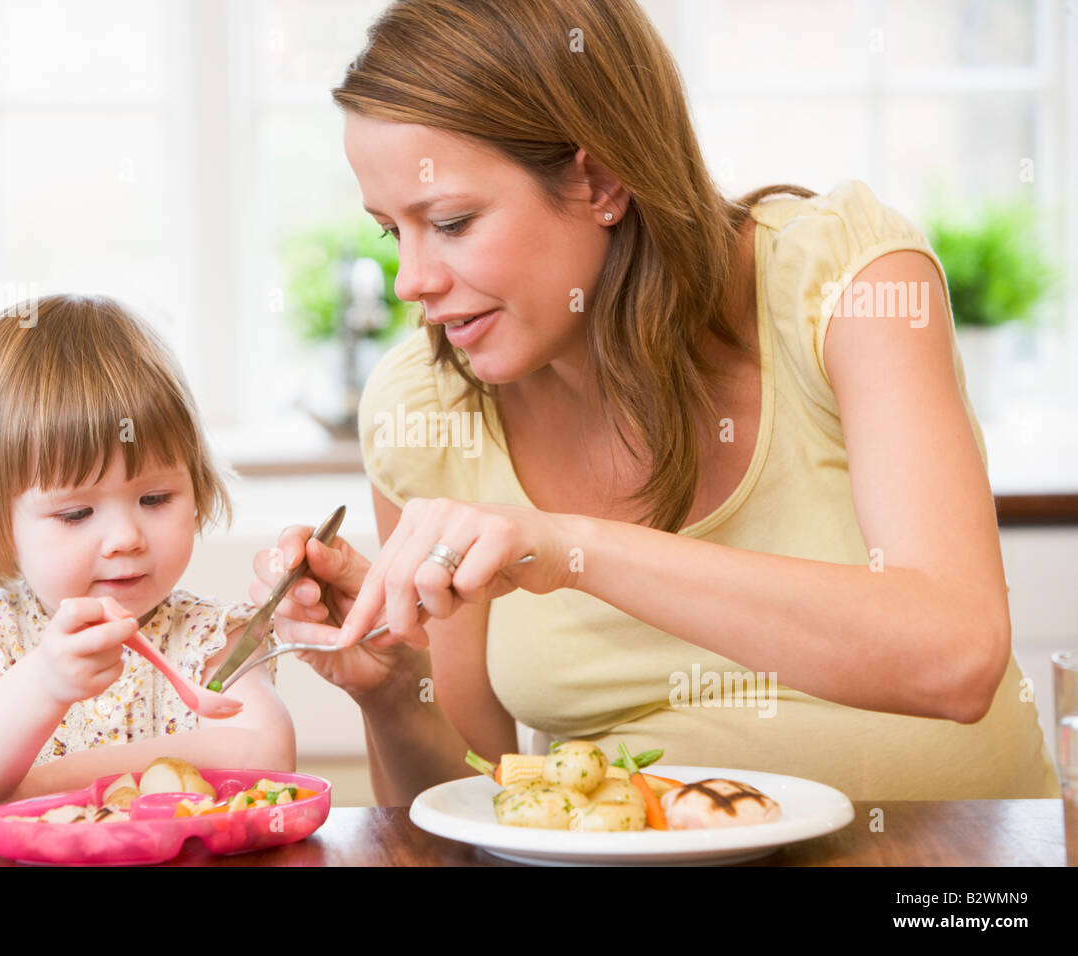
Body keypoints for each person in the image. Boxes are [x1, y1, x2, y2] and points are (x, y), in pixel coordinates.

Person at [252, 0, 1059, 804]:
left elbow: (956, 657)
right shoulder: (426, 408)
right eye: (394, 232)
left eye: (453, 222)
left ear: (599, 180)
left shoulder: (843, 281)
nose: (410, 282)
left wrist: (569, 549)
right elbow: (484, 805)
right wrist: (393, 689)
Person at [0, 294, 293, 820]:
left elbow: (264, 755)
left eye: (155, 499)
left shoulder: (211, 638)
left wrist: (35, 789)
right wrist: (45, 682)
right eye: (76, 513)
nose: (126, 538)